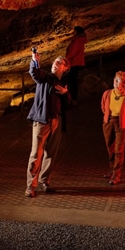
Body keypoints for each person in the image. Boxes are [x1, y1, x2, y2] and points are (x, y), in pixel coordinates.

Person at [25, 51, 72, 197]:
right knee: (36, 154)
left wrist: (65, 93)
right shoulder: (45, 77)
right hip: (42, 121)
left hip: (55, 121)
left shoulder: (63, 84)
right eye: (55, 61)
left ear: (65, 68)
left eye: (59, 62)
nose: (55, 64)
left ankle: (44, 180)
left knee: (51, 153)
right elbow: (35, 73)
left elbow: (69, 105)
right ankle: (30, 186)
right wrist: (35, 60)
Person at [100, 71, 125, 185]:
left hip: (121, 123)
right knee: (110, 147)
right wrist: (107, 117)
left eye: (121, 82)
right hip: (108, 122)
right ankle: (112, 169)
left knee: (119, 149)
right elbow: (103, 107)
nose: (118, 84)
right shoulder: (107, 93)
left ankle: (116, 174)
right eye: (116, 81)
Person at [64, 26, 87, 101]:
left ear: (77, 32)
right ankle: (72, 97)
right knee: (72, 80)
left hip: (75, 62)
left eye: (74, 31)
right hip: (75, 62)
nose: (73, 33)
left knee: (72, 80)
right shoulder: (78, 40)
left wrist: (66, 58)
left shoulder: (78, 40)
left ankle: (73, 98)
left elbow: (74, 51)